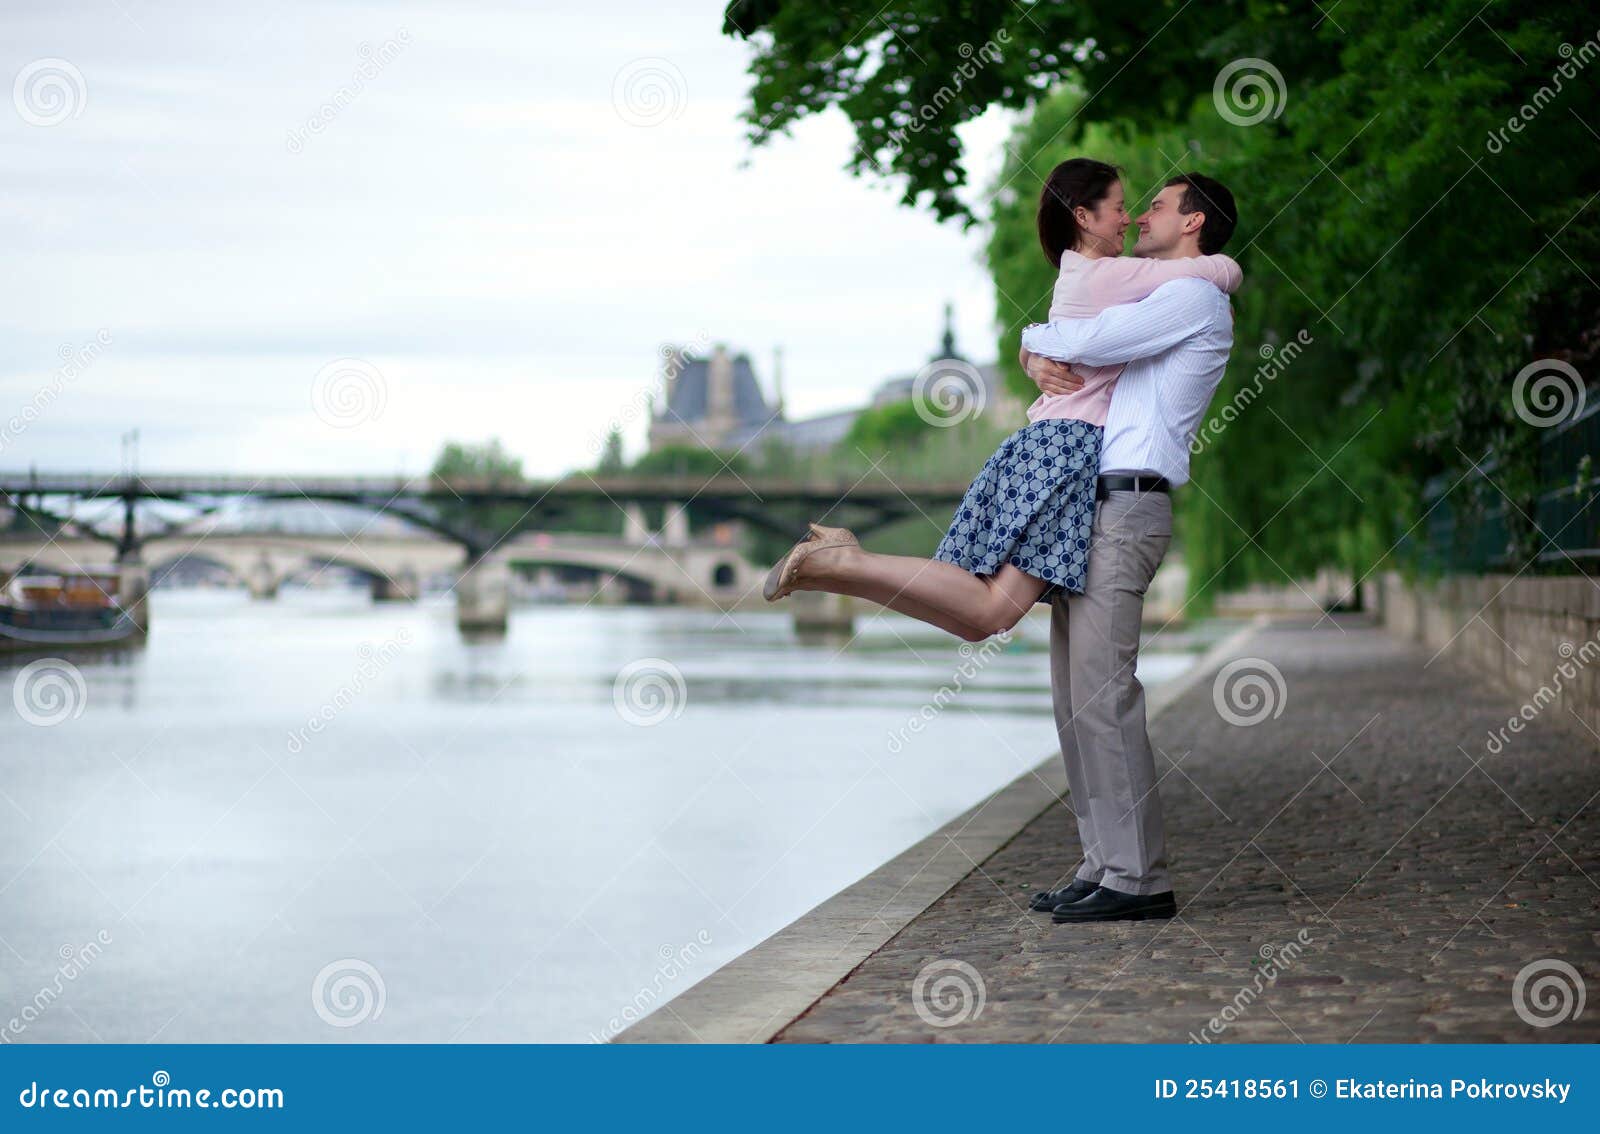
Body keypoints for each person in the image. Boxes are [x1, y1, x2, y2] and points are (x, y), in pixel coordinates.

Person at [761, 159, 1240, 650]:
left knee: (976, 619)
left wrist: (1030, 348)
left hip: (1043, 444)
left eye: (1143, 208)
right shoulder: (1113, 275)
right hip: (1069, 448)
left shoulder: (1084, 275)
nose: (1130, 218)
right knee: (993, 609)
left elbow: (1095, 331)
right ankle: (843, 560)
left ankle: (836, 570)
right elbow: (1198, 273)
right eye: (1119, 207)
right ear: (1083, 216)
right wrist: (1230, 267)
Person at [1019, 171, 1241, 924]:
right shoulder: (1155, 295)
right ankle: (1101, 863)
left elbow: (1087, 340)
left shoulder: (1191, 297)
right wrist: (1036, 359)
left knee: (1104, 695)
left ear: (1194, 222)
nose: (1142, 215)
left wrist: (1030, 343)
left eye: (1159, 205)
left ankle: (1139, 879)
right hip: (1096, 503)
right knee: (1074, 699)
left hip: (1128, 505)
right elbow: (1083, 340)